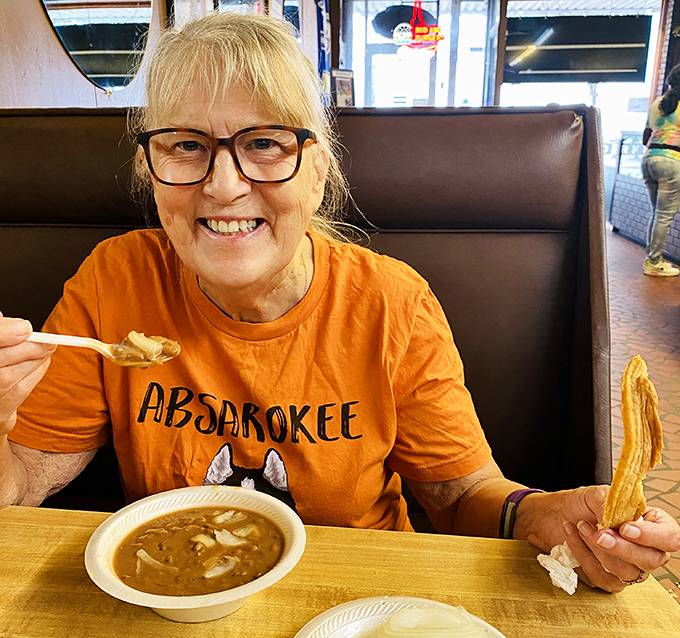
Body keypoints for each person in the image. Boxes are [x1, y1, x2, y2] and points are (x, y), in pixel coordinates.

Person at [1, 12, 679, 594]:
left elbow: (460, 493)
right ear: (152, 172)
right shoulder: (116, 279)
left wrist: (543, 517)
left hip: (360, 600)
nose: (224, 185)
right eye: (186, 146)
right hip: (170, 600)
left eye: (264, 144)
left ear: (318, 171)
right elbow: (25, 478)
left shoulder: (391, 303)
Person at [641, 64, 680, 276]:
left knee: (657, 214)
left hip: (649, 159)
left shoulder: (657, 104)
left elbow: (645, 137)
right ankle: (654, 262)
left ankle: (652, 257)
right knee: (664, 215)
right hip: (672, 161)